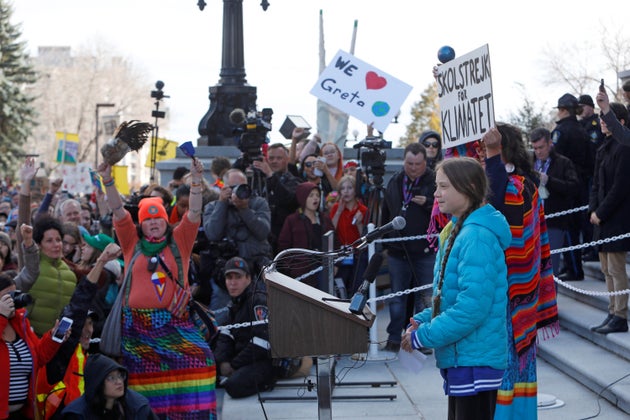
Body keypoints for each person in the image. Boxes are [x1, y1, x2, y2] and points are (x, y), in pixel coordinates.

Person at [98, 157, 216, 419]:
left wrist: (196, 180)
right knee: (142, 384)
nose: (153, 223)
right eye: (148, 220)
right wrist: (107, 179)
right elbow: (118, 211)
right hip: (138, 329)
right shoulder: (131, 241)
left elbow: (194, 213)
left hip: (175, 323)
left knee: (202, 360)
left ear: (165, 220)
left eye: (158, 218)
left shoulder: (180, 240)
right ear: (141, 223)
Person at [401, 157, 511, 420]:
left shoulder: (476, 236)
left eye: (443, 186)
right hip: (464, 357)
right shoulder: (458, 230)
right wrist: (422, 319)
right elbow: (450, 297)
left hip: (474, 360)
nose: (435, 194)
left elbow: (472, 308)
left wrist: (423, 336)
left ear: (469, 186)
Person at [482, 123, 559, 419]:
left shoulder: (517, 186)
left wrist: (492, 153)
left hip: (511, 292)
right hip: (509, 293)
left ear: (503, 147)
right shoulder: (516, 182)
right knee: (510, 366)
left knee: (509, 365)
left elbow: (497, 210)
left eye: (487, 146)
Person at [36, 243, 121, 420]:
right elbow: (79, 303)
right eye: (84, 324)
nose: (88, 330)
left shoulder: (90, 356)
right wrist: (101, 261)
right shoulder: (60, 355)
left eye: (91, 324)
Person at [381, 142, 436, 353]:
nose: (413, 168)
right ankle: (394, 338)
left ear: (425, 162)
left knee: (425, 298)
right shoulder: (395, 180)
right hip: (397, 250)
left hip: (425, 249)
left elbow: (445, 209)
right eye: (409, 163)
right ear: (403, 161)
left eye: (418, 164)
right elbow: (386, 212)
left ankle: (422, 340)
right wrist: (385, 242)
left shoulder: (433, 180)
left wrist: (429, 202)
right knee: (396, 298)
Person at [1, 273, 67, 420]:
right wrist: (1, 316)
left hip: (22, 413)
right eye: (8, 296)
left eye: (15, 293)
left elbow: (40, 356)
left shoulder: (20, 323)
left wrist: (54, 337)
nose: (14, 300)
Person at [588, 102, 630, 334]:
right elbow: (597, 184)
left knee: (616, 268)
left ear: (620, 122)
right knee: (605, 268)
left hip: (617, 217)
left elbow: (620, 187)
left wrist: (601, 212)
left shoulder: (624, 148)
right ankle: (612, 310)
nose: (602, 122)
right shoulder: (604, 148)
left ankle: (620, 315)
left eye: (607, 118)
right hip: (602, 217)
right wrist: (593, 210)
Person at [213, 257, 275, 398]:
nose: (233, 283)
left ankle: (264, 383)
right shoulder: (234, 303)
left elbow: (262, 343)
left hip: (260, 361)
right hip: (241, 360)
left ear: (248, 279)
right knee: (206, 372)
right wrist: (222, 362)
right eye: (229, 278)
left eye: (238, 277)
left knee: (233, 386)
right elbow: (225, 336)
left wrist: (234, 365)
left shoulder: (257, 301)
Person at [203, 168, 273, 281]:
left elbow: (263, 232)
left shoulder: (259, 203)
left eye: (242, 187)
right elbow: (213, 234)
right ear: (224, 187)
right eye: (233, 187)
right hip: (226, 271)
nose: (239, 191)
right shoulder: (212, 207)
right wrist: (222, 204)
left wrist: (244, 209)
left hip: (255, 268)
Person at [551, 93, 592, 281]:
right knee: (576, 226)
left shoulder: (562, 132)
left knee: (568, 229)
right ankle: (574, 267)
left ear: (563, 110)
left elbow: (555, 158)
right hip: (581, 183)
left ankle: (574, 268)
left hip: (566, 186)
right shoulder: (582, 129)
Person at [529, 127, 580, 277]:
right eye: (535, 148)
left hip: (554, 221)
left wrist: (549, 181)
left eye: (541, 147)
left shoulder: (563, 163)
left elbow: (574, 187)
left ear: (550, 143)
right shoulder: (529, 162)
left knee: (551, 270)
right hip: (532, 221)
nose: (538, 151)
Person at [61, 353, 158, 420]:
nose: (119, 382)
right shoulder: (77, 414)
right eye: (111, 378)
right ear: (97, 383)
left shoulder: (138, 406)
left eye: (120, 376)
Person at [277, 182, 336, 290]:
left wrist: (336, 264)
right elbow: (283, 246)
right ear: (303, 197)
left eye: (317, 195)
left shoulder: (324, 219)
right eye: (311, 195)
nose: (315, 199)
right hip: (301, 273)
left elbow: (335, 242)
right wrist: (291, 267)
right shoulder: (292, 220)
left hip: (324, 269)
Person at [28, 216, 77, 336]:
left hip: (60, 341)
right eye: (49, 241)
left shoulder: (70, 274)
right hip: (33, 340)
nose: (56, 245)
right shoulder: (32, 270)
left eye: (59, 240)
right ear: (39, 244)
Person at [251, 143, 301, 254]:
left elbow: (288, 199)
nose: (274, 161)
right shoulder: (259, 180)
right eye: (271, 158)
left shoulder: (295, 181)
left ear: (287, 159)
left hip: (283, 238)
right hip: (260, 236)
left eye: (279, 158)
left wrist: (270, 175)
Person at [330, 175, 368, 293]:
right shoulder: (336, 207)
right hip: (340, 253)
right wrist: (339, 212)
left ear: (355, 190)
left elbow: (366, 239)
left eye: (350, 188)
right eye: (343, 188)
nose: (346, 191)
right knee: (340, 287)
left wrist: (359, 224)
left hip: (357, 254)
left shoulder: (363, 210)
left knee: (356, 286)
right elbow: (331, 231)